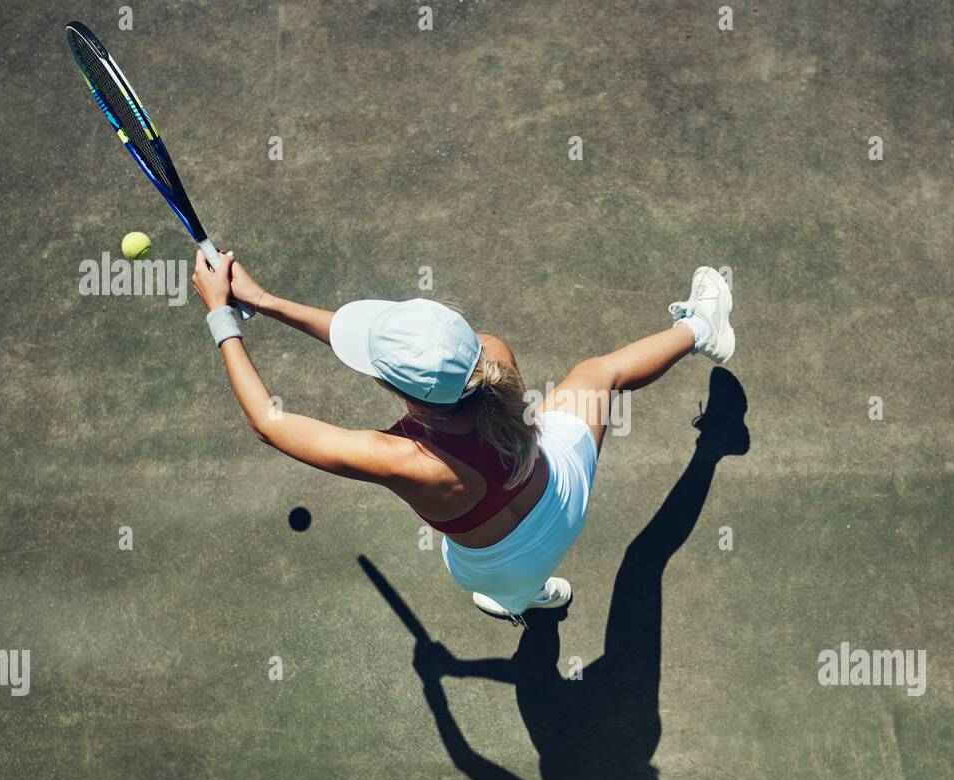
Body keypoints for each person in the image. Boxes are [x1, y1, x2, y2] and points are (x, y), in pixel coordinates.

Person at [191, 251, 735, 625]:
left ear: (389, 387)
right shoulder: (490, 356)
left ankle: (532, 598)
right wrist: (260, 300)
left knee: (522, 587)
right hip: (564, 494)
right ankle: (702, 329)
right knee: (602, 375)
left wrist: (222, 314)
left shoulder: (406, 460)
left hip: (500, 568)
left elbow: (269, 421)